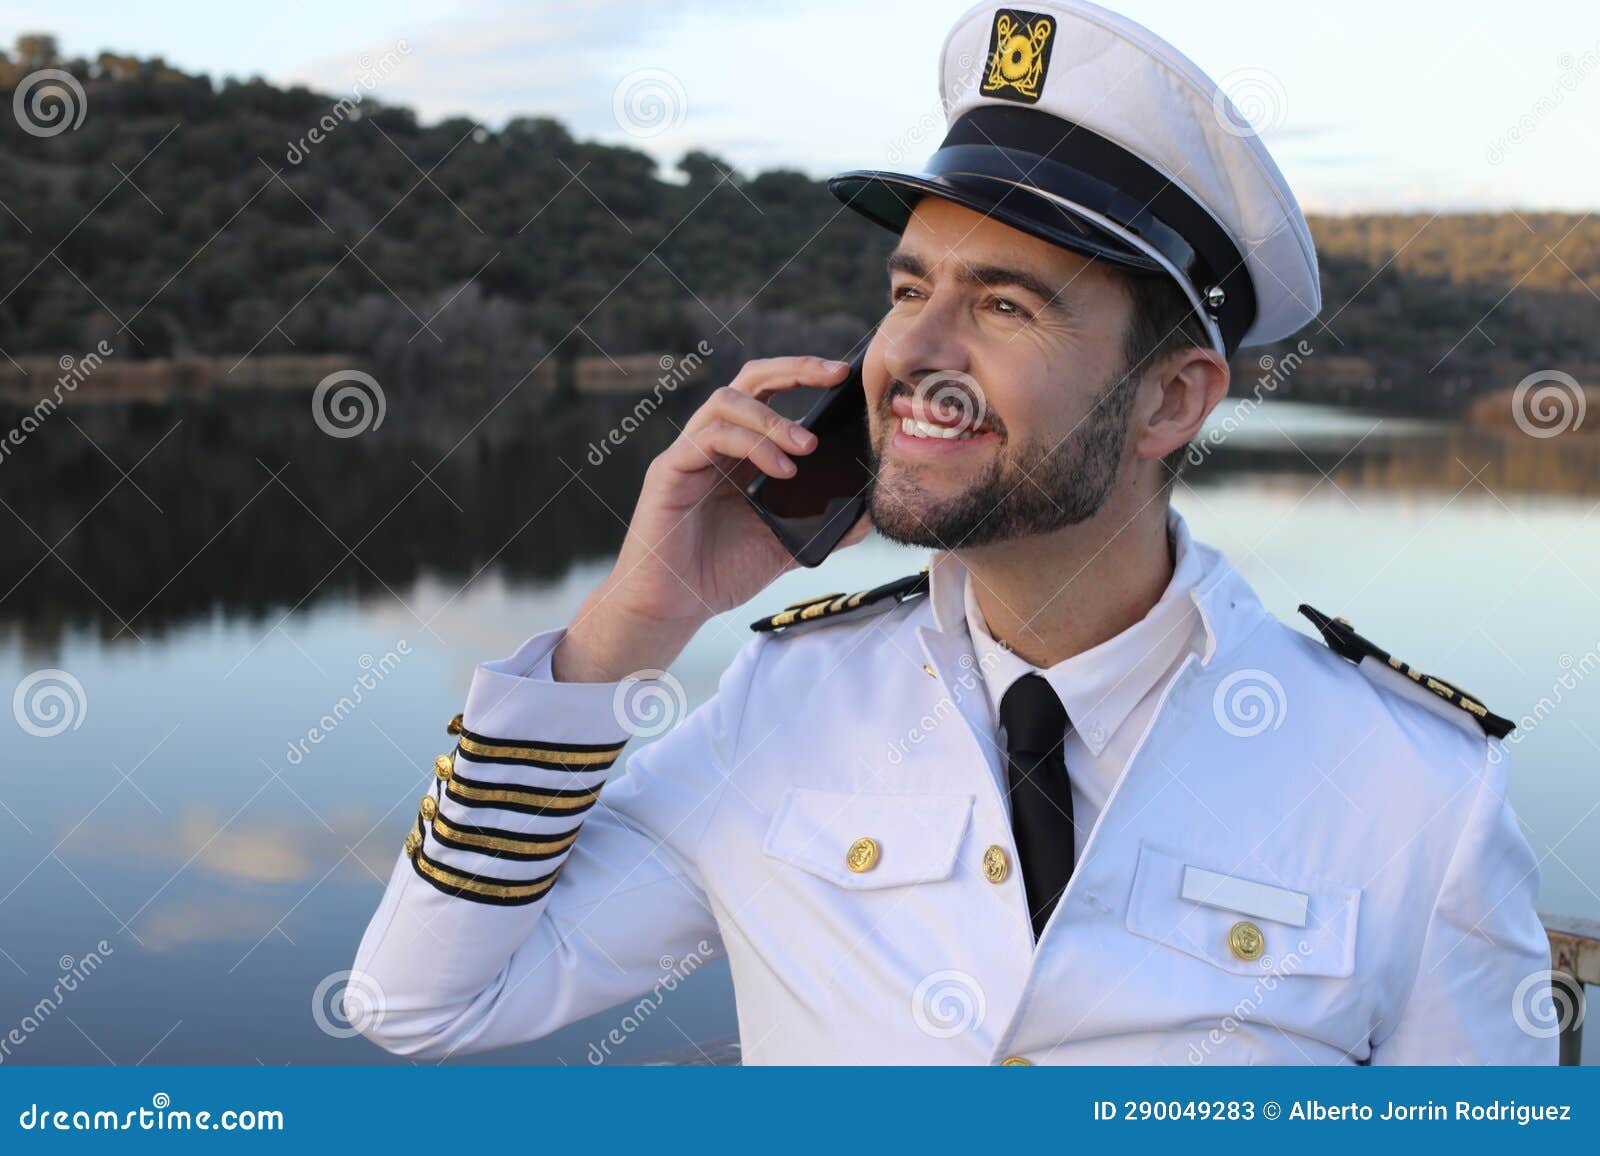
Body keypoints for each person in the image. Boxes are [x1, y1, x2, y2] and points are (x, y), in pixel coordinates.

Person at [349, 0, 1554, 1064]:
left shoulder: (1410, 785)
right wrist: (632, 623)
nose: (914, 354)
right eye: (909, 289)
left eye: (1004, 305)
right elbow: (423, 1004)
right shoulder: (785, 703)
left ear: (1171, 398)